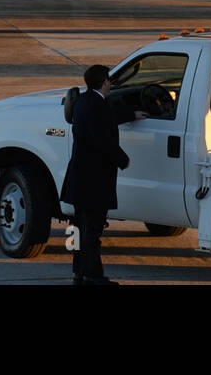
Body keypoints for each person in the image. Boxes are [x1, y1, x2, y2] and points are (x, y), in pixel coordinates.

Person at [59, 65, 146, 285]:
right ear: (105, 82)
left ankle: (78, 273)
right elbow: (102, 139)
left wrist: (130, 114)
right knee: (93, 231)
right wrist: (122, 159)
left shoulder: (85, 101)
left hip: (80, 177)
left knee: (79, 228)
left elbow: (105, 119)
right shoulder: (98, 106)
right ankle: (94, 277)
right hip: (94, 180)